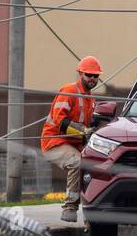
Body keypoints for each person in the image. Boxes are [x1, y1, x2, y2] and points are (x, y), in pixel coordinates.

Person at [41, 56, 104, 222]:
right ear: (80, 74)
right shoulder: (68, 91)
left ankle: (93, 215)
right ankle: (70, 207)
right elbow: (59, 121)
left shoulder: (90, 100)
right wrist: (83, 131)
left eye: (95, 76)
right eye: (88, 74)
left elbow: (88, 126)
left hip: (75, 145)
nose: (92, 78)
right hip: (54, 142)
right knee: (77, 162)